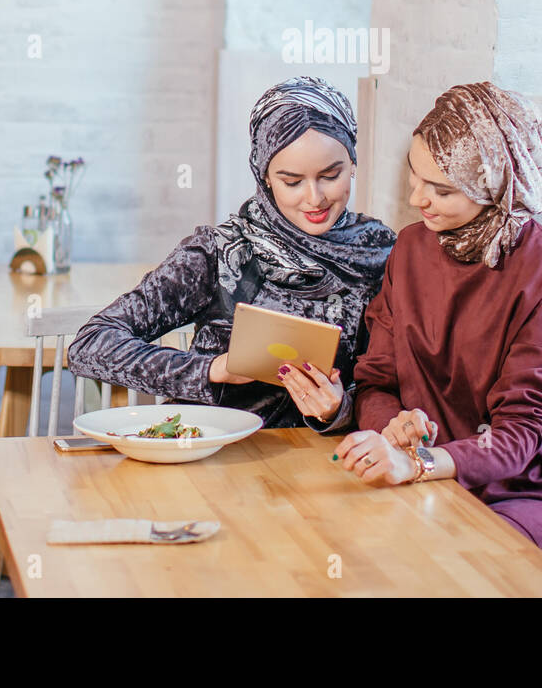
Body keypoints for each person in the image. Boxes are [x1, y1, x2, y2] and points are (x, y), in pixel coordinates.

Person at [334, 81, 542, 587]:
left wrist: (418, 463)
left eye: (442, 189)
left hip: (541, 492)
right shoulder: (410, 250)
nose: (416, 199)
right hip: (438, 475)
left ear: (497, 188)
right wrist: (395, 427)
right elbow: (378, 379)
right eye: (415, 175)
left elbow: (517, 438)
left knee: (464, 565)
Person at [68, 76, 395, 430]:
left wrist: (339, 409)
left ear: (353, 164)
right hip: (210, 457)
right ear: (264, 175)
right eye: (292, 181)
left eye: (331, 175)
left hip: (320, 466)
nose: (314, 198)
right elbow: (90, 344)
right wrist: (211, 369)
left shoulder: (380, 253)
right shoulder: (220, 251)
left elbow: (389, 382)